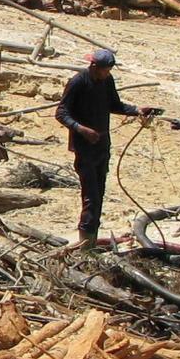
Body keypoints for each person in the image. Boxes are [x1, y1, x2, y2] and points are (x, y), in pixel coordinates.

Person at [56, 47, 158, 248]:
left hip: (102, 146)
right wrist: (81, 129)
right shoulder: (78, 82)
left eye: (109, 70)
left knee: (99, 193)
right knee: (90, 195)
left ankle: (91, 240)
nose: (106, 74)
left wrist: (136, 110)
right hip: (84, 148)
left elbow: (115, 105)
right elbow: (61, 112)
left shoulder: (107, 81)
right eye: (104, 70)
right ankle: (85, 243)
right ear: (94, 66)